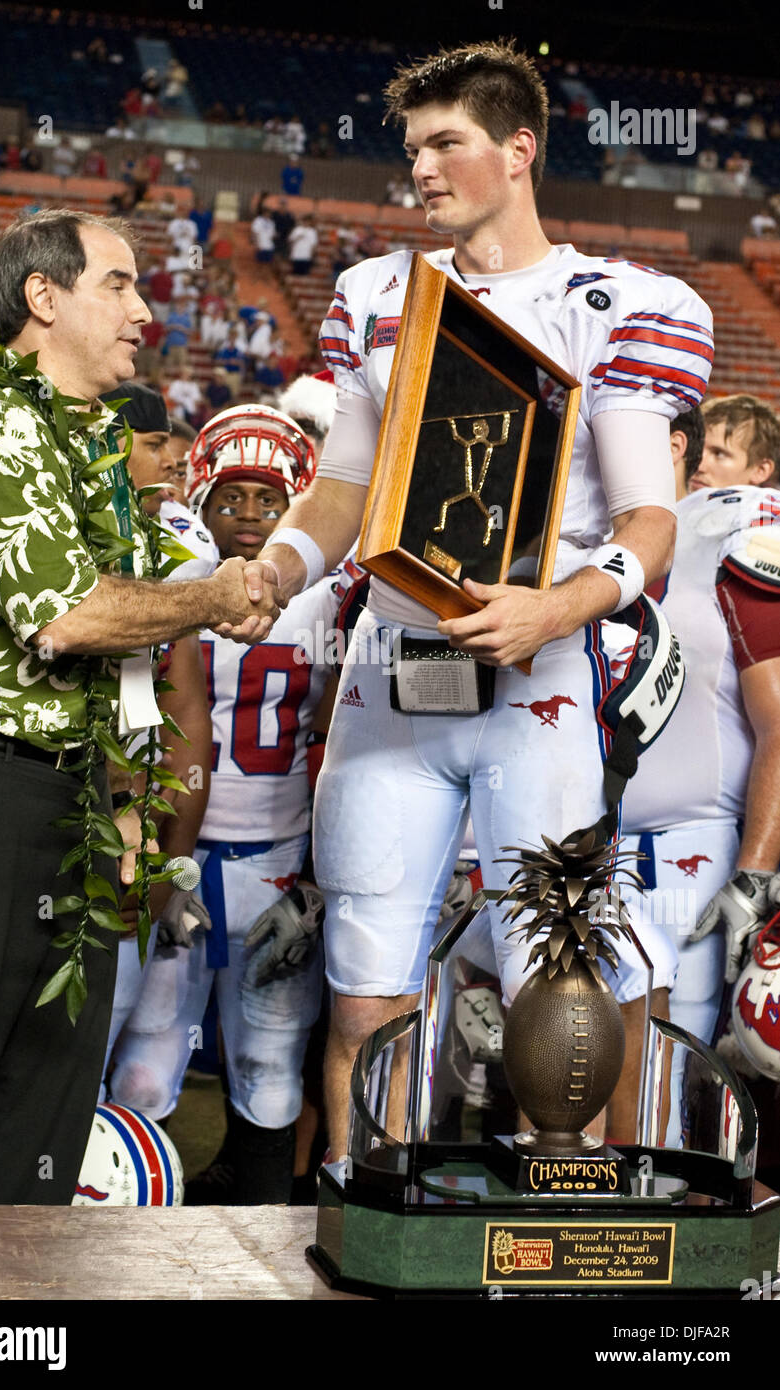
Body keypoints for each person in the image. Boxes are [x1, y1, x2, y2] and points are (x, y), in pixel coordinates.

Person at [229, 40, 714, 1158]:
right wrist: (281, 571)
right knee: (362, 999)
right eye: (411, 149)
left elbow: (649, 522)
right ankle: (357, 1236)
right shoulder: (374, 293)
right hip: (390, 674)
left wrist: (557, 610)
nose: (422, 169)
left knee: (562, 1014)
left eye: (446, 143)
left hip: (537, 671)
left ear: (518, 149)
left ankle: (567, 1240)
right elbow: (341, 487)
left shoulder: (620, 302)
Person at [0, 208, 280, 1204]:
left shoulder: (85, 456)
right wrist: (217, 593)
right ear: (43, 296)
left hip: (62, 806)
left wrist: (124, 803)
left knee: (34, 1119)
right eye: (118, 285)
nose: (144, 312)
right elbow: (70, 619)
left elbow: (117, 671)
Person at [109, 405, 346, 1203]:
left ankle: (259, 1230)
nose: (247, 517)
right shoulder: (173, 582)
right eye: (229, 499)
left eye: (269, 502)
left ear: (297, 508)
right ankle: (132, 1220)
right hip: (181, 846)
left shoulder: (323, 599)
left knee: (269, 1066)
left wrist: (316, 872)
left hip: (273, 856)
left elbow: (331, 739)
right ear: (199, 497)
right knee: (142, 1066)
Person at [616, 397, 780, 1141]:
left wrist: (753, 868)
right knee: (596, 1044)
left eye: (720, 449)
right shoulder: (643, 528)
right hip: (607, 831)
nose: (704, 462)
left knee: (676, 1054)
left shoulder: (741, 527)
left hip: (695, 833)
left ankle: (665, 1226)